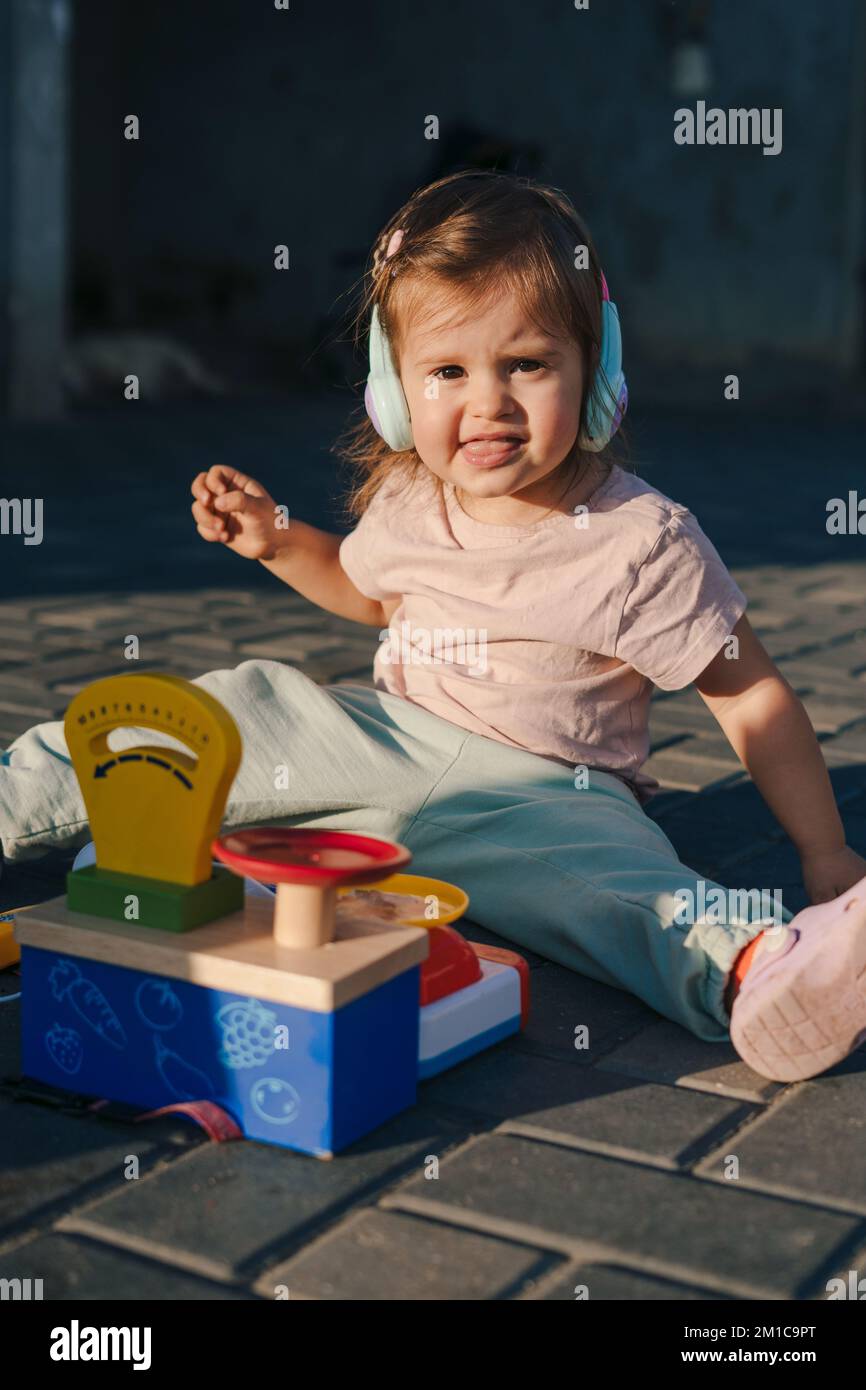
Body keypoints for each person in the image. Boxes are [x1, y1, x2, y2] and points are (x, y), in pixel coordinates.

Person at [2, 170, 864, 1083]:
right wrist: (278, 541)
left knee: (617, 895)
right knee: (238, 708)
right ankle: (21, 799)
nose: (487, 403)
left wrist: (824, 850)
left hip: (548, 794)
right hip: (384, 740)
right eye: (448, 371)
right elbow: (367, 591)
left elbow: (751, 695)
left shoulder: (640, 542)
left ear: (598, 371)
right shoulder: (413, 498)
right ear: (393, 389)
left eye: (525, 365)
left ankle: (761, 971)